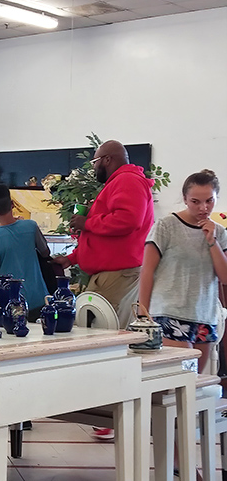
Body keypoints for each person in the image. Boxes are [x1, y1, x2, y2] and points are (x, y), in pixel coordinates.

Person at [139, 169, 227, 373]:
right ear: (185, 199)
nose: (203, 208)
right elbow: (147, 270)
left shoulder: (219, 232)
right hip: (170, 311)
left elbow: (224, 276)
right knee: (181, 377)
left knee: (194, 383)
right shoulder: (167, 225)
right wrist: (142, 313)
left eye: (209, 201)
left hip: (204, 315)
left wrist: (211, 241)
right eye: (196, 201)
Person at [61, 140, 154, 326]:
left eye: (94, 162)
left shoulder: (127, 180)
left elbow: (128, 220)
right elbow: (104, 238)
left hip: (118, 275)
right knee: (96, 329)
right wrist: (72, 258)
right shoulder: (119, 181)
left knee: (107, 332)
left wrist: (87, 223)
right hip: (112, 274)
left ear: (107, 159)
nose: (94, 168)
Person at [0, 184, 50, 319]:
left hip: (11, 304)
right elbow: (45, 252)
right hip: (40, 299)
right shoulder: (31, 226)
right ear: (12, 204)